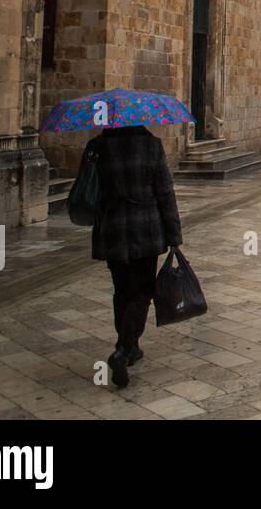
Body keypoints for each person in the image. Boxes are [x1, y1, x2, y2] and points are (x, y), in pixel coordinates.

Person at [86, 124, 182, 389]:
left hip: (113, 231)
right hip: (145, 230)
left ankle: (129, 346)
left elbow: (90, 188)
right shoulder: (151, 146)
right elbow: (165, 192)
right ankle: (124, 347)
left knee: (121, 290)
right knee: (143, 291)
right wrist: (174, 236)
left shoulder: (98, 146)